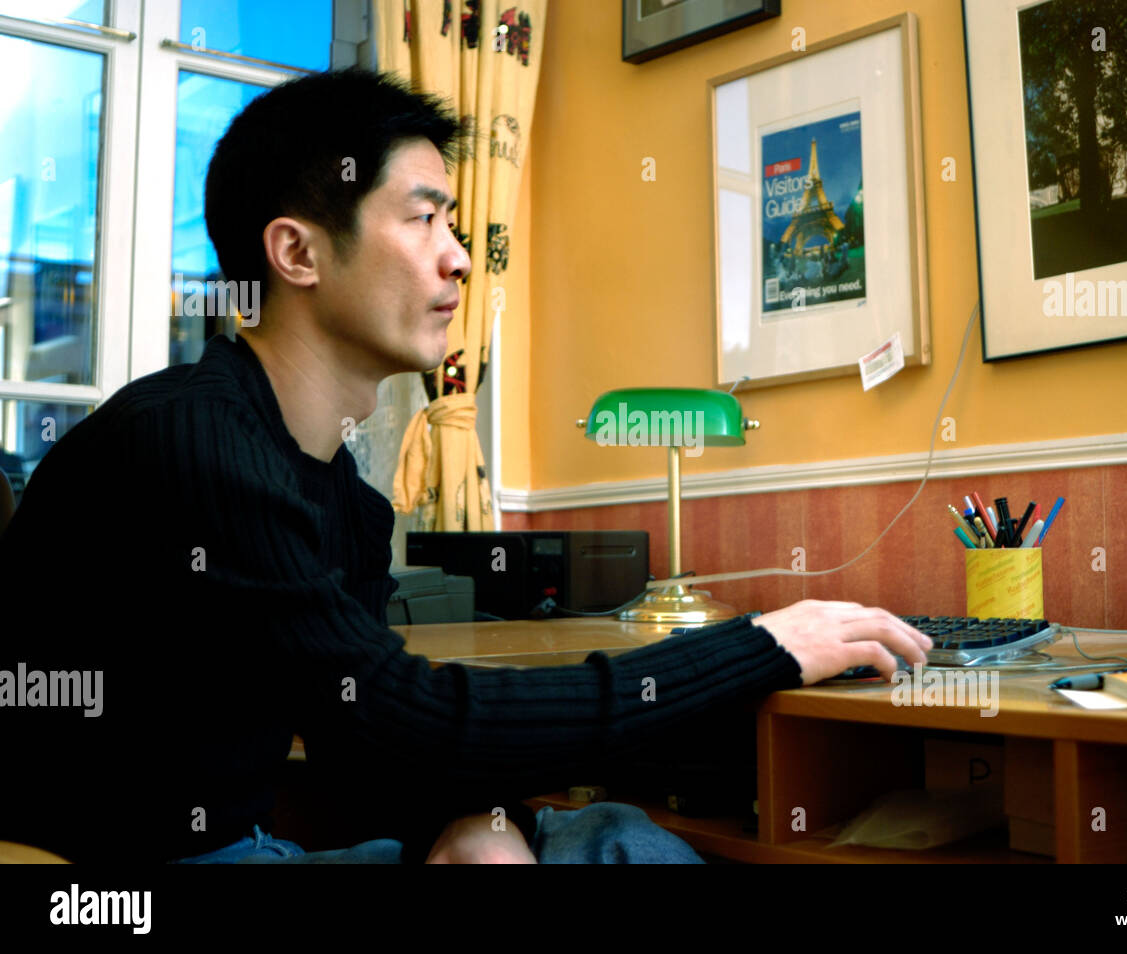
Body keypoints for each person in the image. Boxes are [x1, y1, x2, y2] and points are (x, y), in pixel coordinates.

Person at [0, 68, 930, 864]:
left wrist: (474, 821)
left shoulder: (340, 496)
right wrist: (760, 646)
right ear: (296, 252)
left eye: (453, 223)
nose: (457, 260)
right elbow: (412, 716)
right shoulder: (193, 442)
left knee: (609, 836)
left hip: (248, 844)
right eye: (423, 219)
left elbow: (364, 743)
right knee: (617, 844)